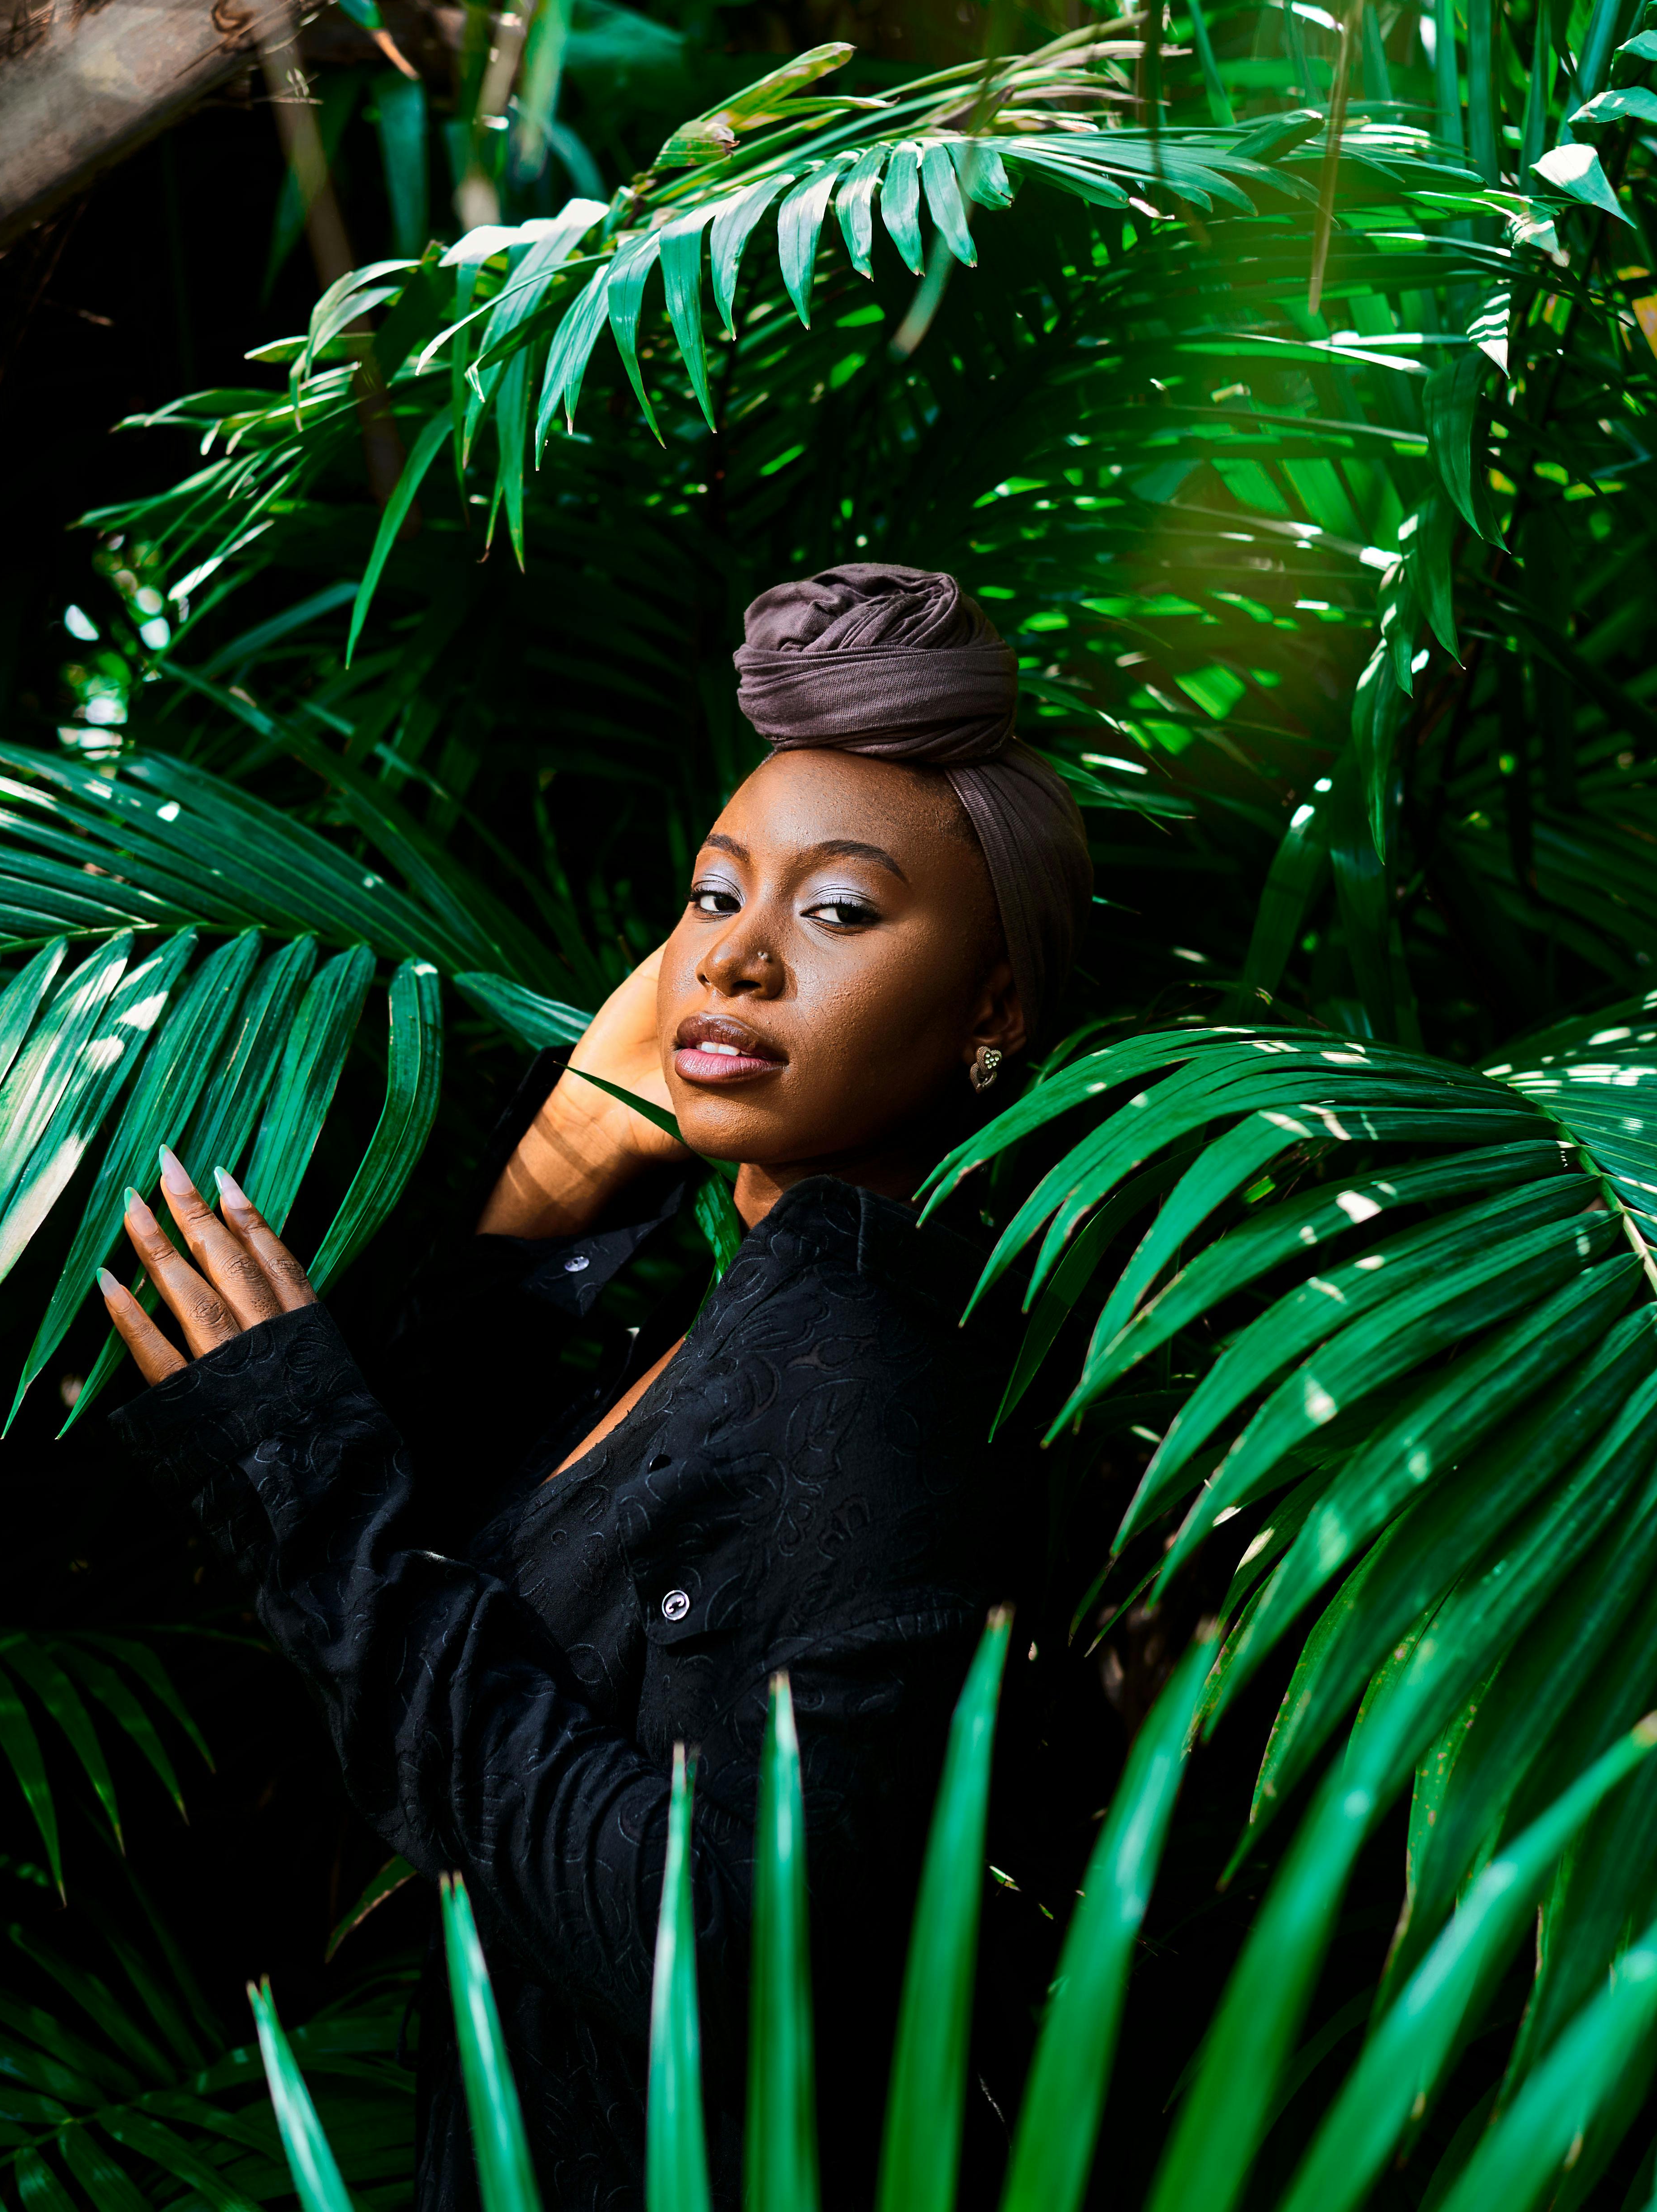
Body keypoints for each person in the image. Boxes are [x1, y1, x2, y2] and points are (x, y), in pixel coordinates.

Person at [103, 563, 1093, 2212]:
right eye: (714, 899)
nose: (742, 964)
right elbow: (490, 1574)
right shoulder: (752, 1306)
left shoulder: (869, 1370)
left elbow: (712, 1945)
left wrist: (317, 1489)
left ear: (994, 1002)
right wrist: (561, 1168)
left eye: (838, 912)